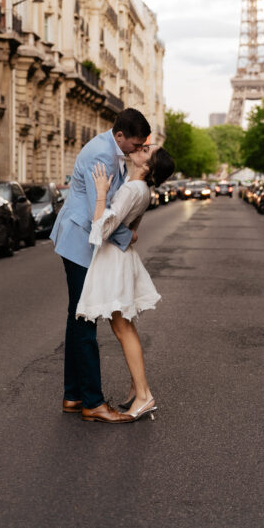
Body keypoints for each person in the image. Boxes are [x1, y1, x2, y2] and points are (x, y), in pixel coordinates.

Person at [50, 108, 151, 424]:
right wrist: (129, 237)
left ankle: (74, 395)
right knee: (86, 318)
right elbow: (103, 217)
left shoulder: (112, 149)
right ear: (120, 136)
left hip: (78, 239)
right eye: (136, 144)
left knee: (78, 318)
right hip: (80, 241)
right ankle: (93, 402)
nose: (138, 149)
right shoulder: (102, 155)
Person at [77, 145, 175, 421]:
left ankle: (144, 396)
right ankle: (137, 387)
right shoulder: (141, 189)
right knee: (124, 327)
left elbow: (102, 229)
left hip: (114, 261)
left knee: (123, 328)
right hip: (121, 258)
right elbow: (130, 230)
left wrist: (101, 193)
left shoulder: (133, 189)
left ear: (148, 166)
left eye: (146, 150)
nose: (140, 148)